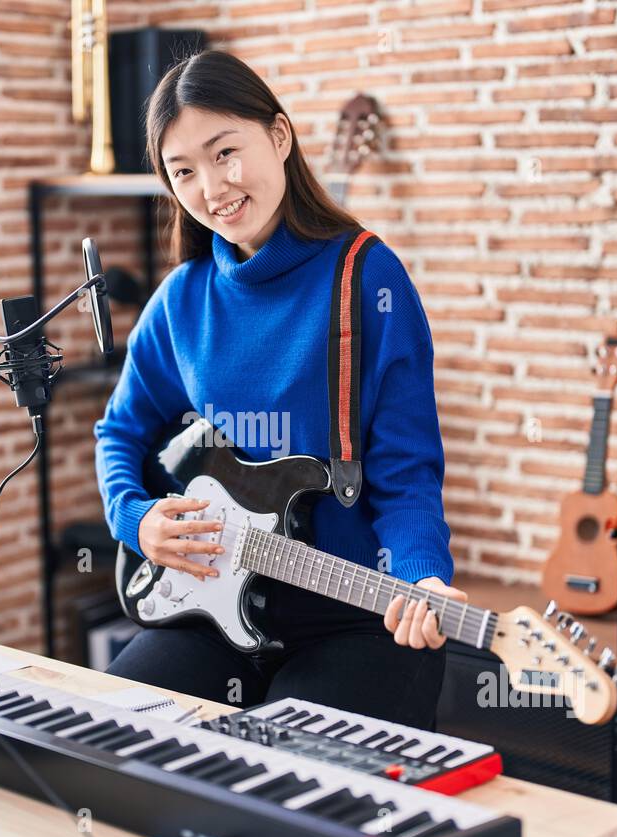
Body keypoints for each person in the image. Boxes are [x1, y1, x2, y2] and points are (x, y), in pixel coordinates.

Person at [92, 51, 466, 730]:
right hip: (211, 608)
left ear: (279, 135)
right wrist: (135, 519)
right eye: (183, 171)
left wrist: (422, 578)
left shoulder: (367, 279)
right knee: (108, 734)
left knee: (293, 777)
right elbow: (119, 431)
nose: (212, 187)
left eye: (224, 152)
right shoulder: (182, 299)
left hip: (355, 617)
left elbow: (407, 470)